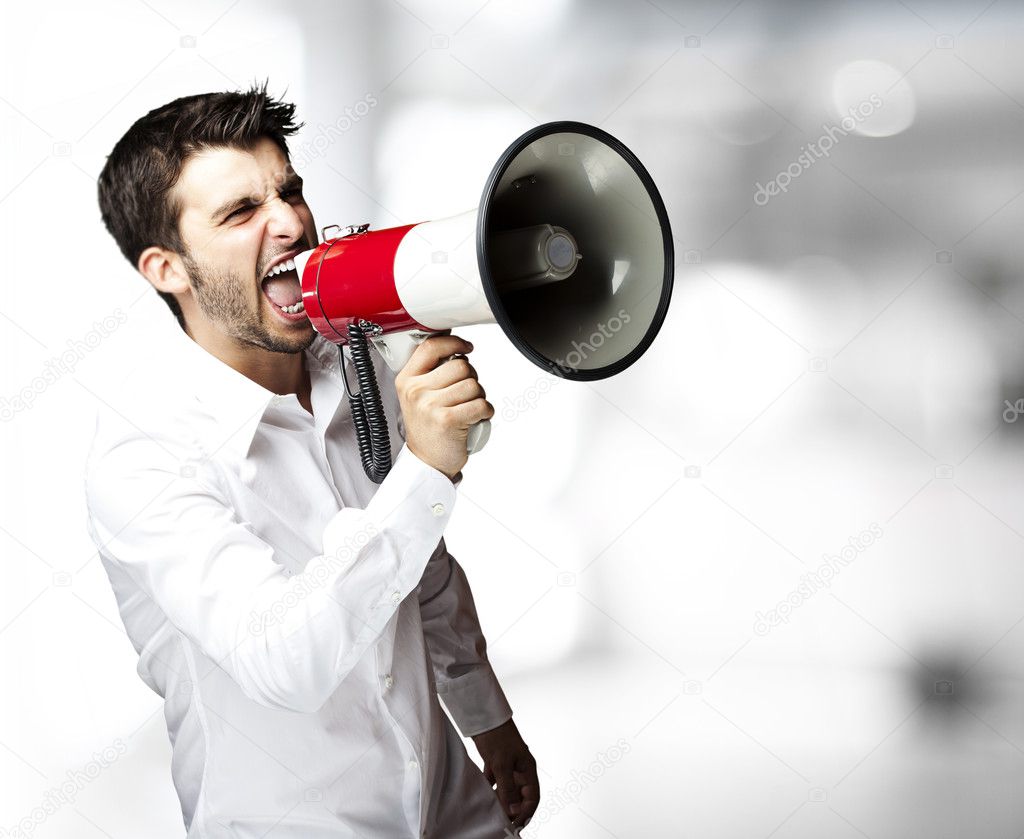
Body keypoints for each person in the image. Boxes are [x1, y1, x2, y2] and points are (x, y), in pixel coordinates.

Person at [83, 82, 539, 838]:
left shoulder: (349, 359)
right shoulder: (144, 454)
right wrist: (424, 472)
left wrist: (486, 716)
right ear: (166, 268)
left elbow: (418, 566)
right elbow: (282, 662)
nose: (292, 222)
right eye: (241, 212)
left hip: (454, 812)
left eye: (289, 190)